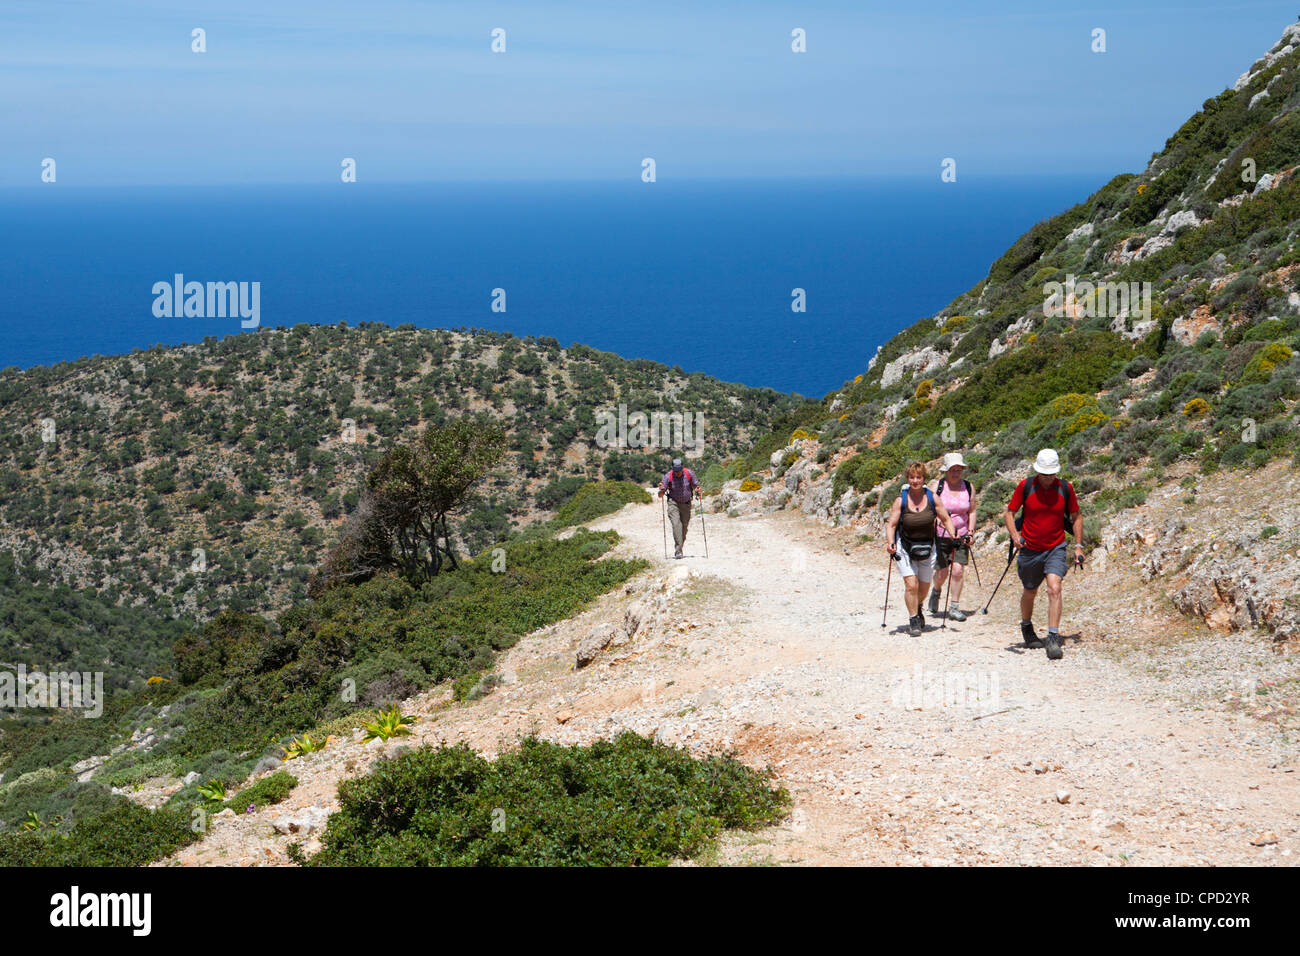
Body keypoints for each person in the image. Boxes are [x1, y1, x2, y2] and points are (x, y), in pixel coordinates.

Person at [1002, 449, 1084, 660]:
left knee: (1054, 588)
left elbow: (1076, 516)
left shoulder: (1065, 488)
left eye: (1051, 474)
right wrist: (1014, 535)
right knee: (1030, 591)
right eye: (1044, 473)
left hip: (1055, 547)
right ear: (1037, 471)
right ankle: (1027, 627)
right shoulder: (1025, 486)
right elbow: (1009, 512)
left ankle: (1053, 637)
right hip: (1029, 548)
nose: (1048, 478)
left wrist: (1078, 546)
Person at [886, 461, 958, 636]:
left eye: (918, 477)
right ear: (907, 478)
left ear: (924, 478)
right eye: (912, 477)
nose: (915, 480)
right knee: (911, 585)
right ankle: (913, 620)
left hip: (928, 547)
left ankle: (918, 606)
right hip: (905, 547)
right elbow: (892, 525)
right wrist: (890, 543)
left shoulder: (933, 498)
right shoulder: (900, 500)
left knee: (924, 587)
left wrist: (953, 535)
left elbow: (946, 519)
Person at [928, 452, 977, 622]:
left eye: (959, 469)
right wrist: (938, 522)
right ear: (946, 471)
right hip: (941, 536)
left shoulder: (969, 487)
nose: (956, 473)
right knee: (941, 573)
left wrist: (971, 532)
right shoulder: (937, 487)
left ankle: (954, 607)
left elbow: (972, 511)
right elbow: (929, 510)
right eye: (952, 470)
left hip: (961, 536)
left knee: (957, 570)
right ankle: (936, 591)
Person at [658, 458, 700, 559]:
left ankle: (679, 547)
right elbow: (661, 494)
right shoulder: (668, 476)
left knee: (684, 528)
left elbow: (695, 485)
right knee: (676, 525)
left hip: (686, 504)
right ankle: (678, 551)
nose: (677, 473)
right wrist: (662, 490)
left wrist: (698, 490)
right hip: (673, 503)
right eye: (675, 471)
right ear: (672, 469)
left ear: (682, 468)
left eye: (679, 471)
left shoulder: (689, 473)